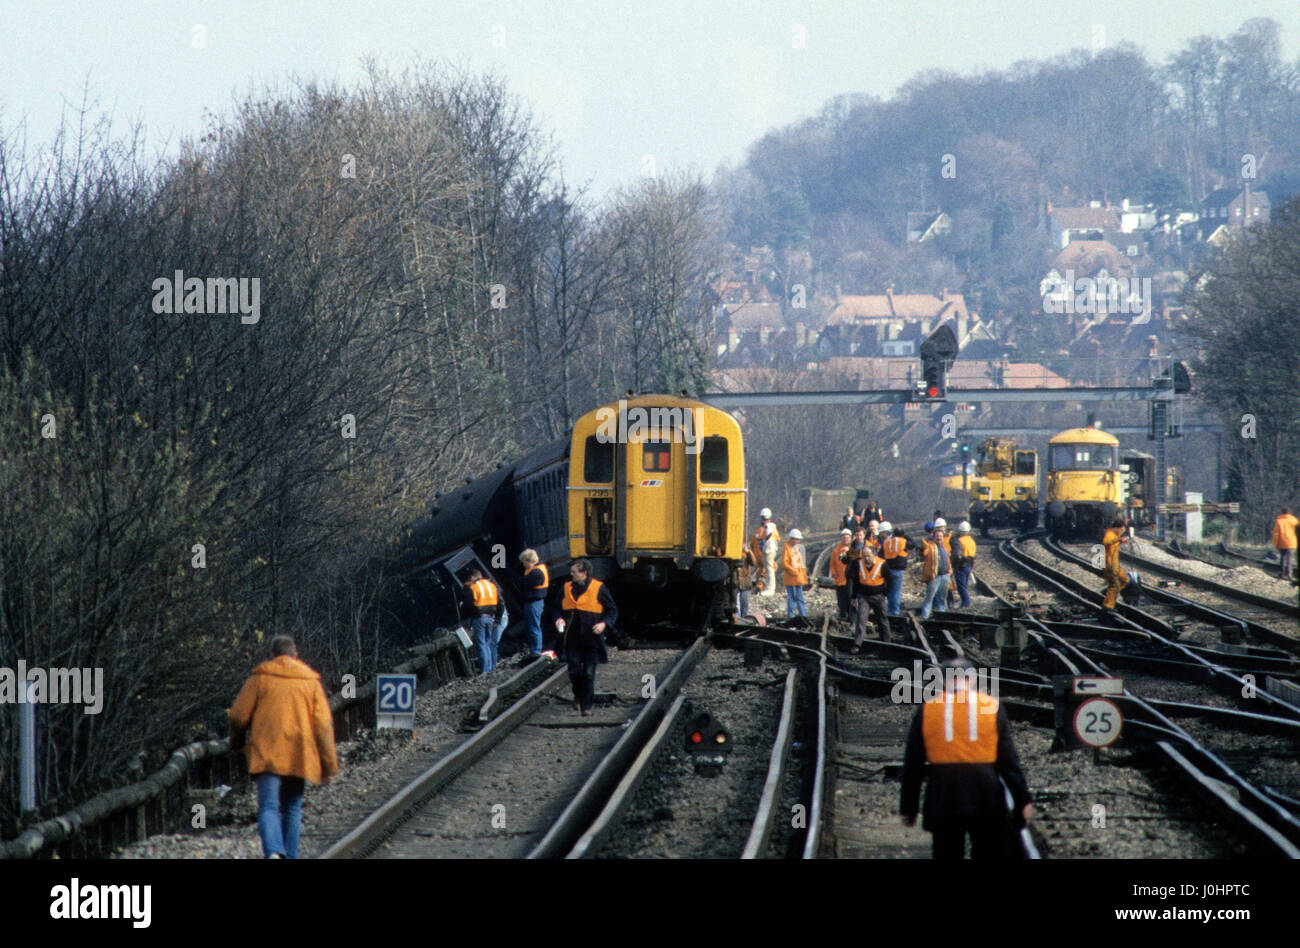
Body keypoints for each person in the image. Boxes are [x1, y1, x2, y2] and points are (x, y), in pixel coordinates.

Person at [900, 657, 1033, 859]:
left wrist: (909, 807)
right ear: (972, 679)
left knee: (947, 852)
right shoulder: (991, 707)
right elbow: (1008, 759)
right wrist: (1022, 798)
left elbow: (913, 763)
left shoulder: (928, 709)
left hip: (943, 795)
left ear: (943, 681)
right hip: (985, 794)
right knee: (989, 851)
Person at [228, 636, 338, 859]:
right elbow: (324, 726)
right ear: (296, 655)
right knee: (292, 808)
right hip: (299, 754)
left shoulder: (260, 679)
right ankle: (290, 856)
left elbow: (238, 716)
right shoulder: (311, 682)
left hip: (266, 753)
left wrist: (237, 743)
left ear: (272, 655)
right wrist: (328, 767)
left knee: (268, 806)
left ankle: (273, 852)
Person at [548, 559, 619, 715]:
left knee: (588, 673)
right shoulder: (566, 588)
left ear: (584, 573)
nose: (571, 574)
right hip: (572, 638)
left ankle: (586, 706)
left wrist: (604, 624)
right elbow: (555, 608)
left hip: (592, 639)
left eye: (574, 571)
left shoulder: (599, 588)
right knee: (574, 671)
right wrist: (558, 618)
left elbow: (612, 610)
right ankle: (579, 696)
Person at [463, 567, 504, 672]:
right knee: (488, 642)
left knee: (481, 644)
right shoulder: (491, 585)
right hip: (491, 618)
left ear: (472, 577)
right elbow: (501, 603)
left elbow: (467, 606)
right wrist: (498, 619)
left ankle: (485, 670)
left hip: (479, 618)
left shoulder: (473, 588)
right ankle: (491, 668)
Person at [849, 544, 889, 652]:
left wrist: (885, 593)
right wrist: (854, 597)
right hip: (863, 597)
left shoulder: (882, 564)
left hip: (878, 596)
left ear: (874, 555)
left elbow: (889, 580)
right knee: (861, 620)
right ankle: (857, 644)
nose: (866, 558)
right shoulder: (859, 564)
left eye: (868, 556)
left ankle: (886, 642)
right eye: (864, 556)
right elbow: (856, 581)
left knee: (882, 619)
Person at [517, 549, 549, 658]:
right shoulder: (537, 569)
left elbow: (524, 583)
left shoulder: (536, 572)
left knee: (534, 627)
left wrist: (521, 580)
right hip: (533, 602)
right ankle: (534, 650)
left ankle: (536, 651)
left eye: (523, 562)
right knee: (532, 626)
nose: (523, 564)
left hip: (534, 602)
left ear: (528, 560)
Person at [920, 522, 951, 619]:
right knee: (929, 598)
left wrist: (950, 573)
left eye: (941, 536)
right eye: (937, 536)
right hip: (935, 577)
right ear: (933, 537)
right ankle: (924, 616)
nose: (939, 538)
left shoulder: (944, 547)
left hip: (945, 576)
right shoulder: (930, 546)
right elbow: (923, 552)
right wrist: (923, 545)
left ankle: (941, 617)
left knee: (942, 599)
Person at [1100, 517, 1131, 612]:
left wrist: (1125, 524)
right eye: (1121, 529)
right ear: (1116, 528)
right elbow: (1106, 542)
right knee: (1115, 585)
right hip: (1109, 565)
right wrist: (1119, 540)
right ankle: (1107, 606)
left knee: (1125, 580)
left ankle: (1107, 593)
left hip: (1115, 565)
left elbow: (1120, 533)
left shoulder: (1115, 533)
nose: (1122, 531)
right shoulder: (1109, 534)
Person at [880, 522, 908, 616]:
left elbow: (880, 555)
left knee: (890, 591)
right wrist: (905, 536)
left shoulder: (886, 543)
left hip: (888, 569)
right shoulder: (903, 541)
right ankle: (895, 612)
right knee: (896, 592)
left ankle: (890, 611)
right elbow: (912, 545)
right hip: (898, 570)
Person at [752, 508, 780, 596]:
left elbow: (753, 544)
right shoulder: (771, 528)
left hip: (763, 553)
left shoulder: (765, 528)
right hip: (764, 553)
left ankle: (764, 587)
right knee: (770, 568)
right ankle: (762, 586)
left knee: (767, 569)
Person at [782, 529, 809, 618]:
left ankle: (803, 616)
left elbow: (799, 563)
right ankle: (791, 616)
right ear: (792, 539)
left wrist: (802, 575)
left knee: (800, 599)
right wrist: (794, 572)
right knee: (792, 599)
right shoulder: (787, 549)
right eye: (797, 539)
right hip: (791, 579)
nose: (798, 541)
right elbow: (784, 564)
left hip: (798, 578)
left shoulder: (796, 548)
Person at [950, 521, 978, 608]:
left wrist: (954, 565)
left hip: (961, 565)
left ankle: (966, 603)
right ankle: (964, 603)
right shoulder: (971, 541)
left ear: (960, 531)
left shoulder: (959, 541)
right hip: (969, 564)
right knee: (964, 585)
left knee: (961, 586)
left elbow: (957, 555)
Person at [829, 528, 853, 620]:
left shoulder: (852, 550)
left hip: (849, 580)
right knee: (841, 600)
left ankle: (851, 617)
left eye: (847, 537)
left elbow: (856, 561)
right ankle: (843, 615)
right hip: (839, 580)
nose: (845, 539)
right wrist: (834, 573)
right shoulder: (836, 551)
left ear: (850, 538)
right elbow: (832, 564)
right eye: (844, 537)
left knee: (850, 599)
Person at [1272, 507, 1298, 581]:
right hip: (1292, 542)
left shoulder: (1279, 521)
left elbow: (1276, 534)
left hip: (1282, 542)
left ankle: (1282, 574)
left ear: (1282, 512)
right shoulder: (1294, 520)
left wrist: (1275, 544)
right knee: (1289, 558)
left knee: (1283, 557)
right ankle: (1289, 574)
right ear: (1290, 513)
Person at [738, 547, 758, 619]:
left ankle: (744, 620)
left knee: (745, 606)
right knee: (736, 608)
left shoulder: (746, 552)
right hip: (735, 583)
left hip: (745, 583)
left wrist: (748, 552)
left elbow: (753, 562)